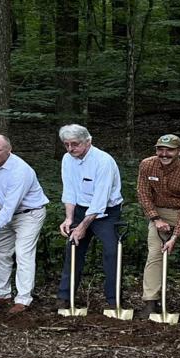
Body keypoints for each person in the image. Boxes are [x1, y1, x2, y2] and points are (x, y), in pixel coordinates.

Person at [0, 135, 50, 316]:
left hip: (29, 214)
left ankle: (23, 299)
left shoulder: (20, 170)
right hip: (5, 214)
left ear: (9, 149)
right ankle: (1, 294)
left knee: (23, 253)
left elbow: (10, 206)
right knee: (0, 251)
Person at [55, 125, 125, 308]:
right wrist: (69, 219)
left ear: (88, 141)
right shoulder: (67, 159)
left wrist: (82, 227)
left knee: (111, 252)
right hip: (79, 210)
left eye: (75, 144)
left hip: (107, 213)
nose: (70, 149)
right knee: (73, 249)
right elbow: (69, 190)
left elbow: (100, 200)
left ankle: (113, 300)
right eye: (66, 144)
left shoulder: (103, 161)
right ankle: (65, 297)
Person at [137, 133, 180, 317]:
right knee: (155, 254)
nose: (164, 153)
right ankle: (150, 301)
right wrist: (155, 219)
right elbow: (143, 193)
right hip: (160, 212)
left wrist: (174, 237)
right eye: (160, 149)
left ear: (179, 151)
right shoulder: (147, 165)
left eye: (169, 150)